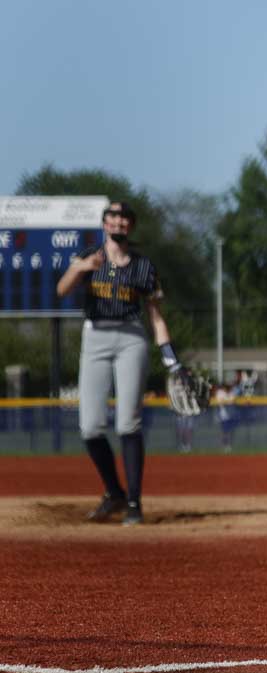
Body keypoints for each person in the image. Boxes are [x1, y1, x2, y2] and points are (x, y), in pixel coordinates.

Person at [57, 201, 191, 526]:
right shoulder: (89, 255)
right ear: (104, 224)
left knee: (128, 423)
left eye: (124, 218)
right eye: (112, 217)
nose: (118, 222)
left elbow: (156, 317)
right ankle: (113, 492)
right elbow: (61, 290)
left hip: (131, 338)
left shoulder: (144, 267)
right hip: (96, 336)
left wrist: (172, 361)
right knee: (90, 426)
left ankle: (133, 502)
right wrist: (80, 268)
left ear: (130, 226)